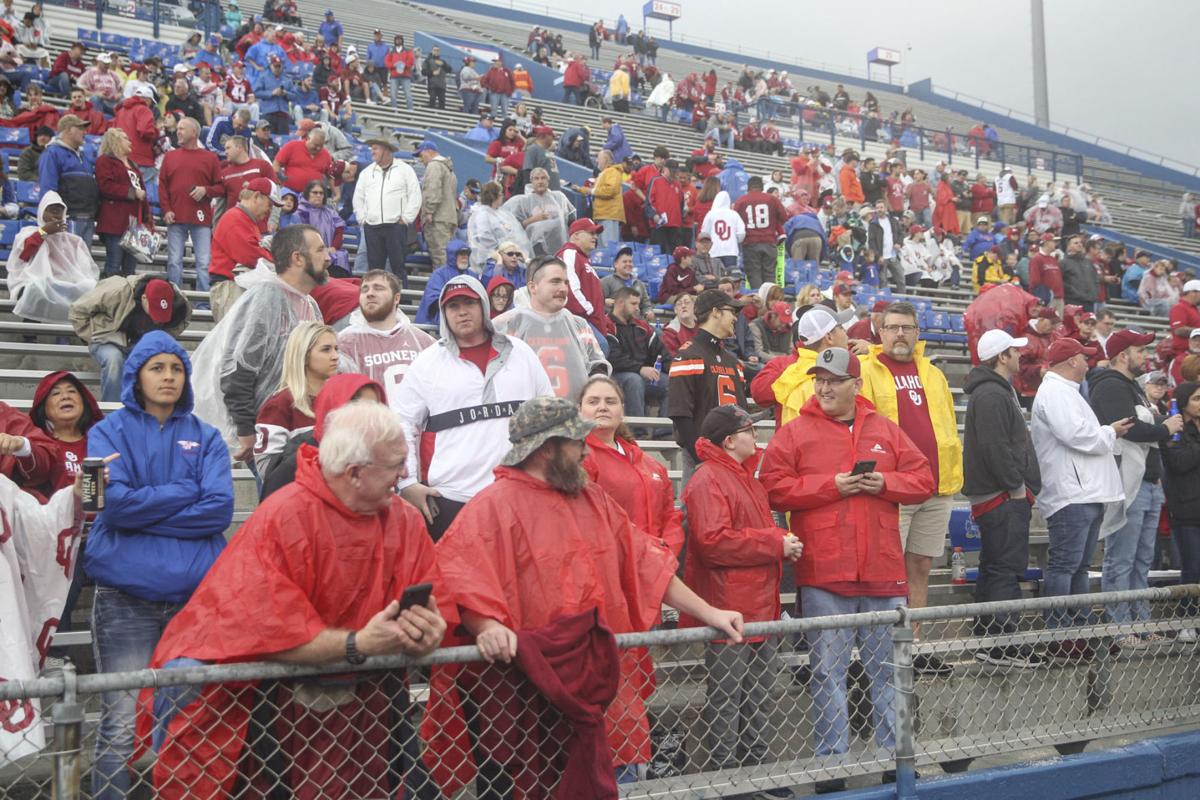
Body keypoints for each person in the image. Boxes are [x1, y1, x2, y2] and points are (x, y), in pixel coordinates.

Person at [427, 397, 744, 794]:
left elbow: (649, 565)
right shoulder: (490, 507)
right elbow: (459, 583)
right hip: (526, 694)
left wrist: (710, 612)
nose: (584, 448)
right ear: (546, 449)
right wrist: (486, 624)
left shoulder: (594, 500)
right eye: (576, 441)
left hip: (597, 685)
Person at [138, 401, 446, 799]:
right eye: (396, 465)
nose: (405, 475)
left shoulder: (403, 520)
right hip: (272, 712)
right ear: (354, 473)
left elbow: (431, 603)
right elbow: (265, 633)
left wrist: (428, 634)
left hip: (368, 714)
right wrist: (358, 644)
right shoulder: (284, 517)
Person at [760, 347, 933, 793]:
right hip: (825, 573)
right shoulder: (795, 432)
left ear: (856, 385)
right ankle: (829, 768)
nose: (825, 386)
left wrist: (885, 483)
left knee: (890, 671)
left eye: (835, 379)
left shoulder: (885, 429)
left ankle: (898, 762)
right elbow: (773, 489)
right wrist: (830, 486)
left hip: (882, 571)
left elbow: (923, 479)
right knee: (826, 673)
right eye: (820, 378)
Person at [85, 331, 234, 800]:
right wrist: (183, 492)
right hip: (125, 602)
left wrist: (144, 508)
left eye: (176, 369)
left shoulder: (207, 436)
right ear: (137, 375)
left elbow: (219, 509)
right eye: (157, 368)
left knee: (191, 721)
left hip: (193, 602)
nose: (168, 377)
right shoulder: (107, 432)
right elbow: (113, 507)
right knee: (121, 724)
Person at [683, 404, 800, 775]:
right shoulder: (708, 479)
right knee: (728, 699)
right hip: (729, 608)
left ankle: (756, 771)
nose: (757, 436)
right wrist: (775, 542)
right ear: (731, 440)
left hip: (756, 605)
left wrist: (776, 544)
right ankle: (726, 775)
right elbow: (713, 543)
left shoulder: (745, 478)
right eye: (750, 430)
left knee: (758, 697)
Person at [395, 275, 552, 539]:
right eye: (453, 306)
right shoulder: (427, 363)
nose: (462, 312)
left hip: (519, 494)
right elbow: (403, 424)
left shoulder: (521, 353)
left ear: (483, 306)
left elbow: (548, 416)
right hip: (451, 498)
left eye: (469, 302)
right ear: (444, 313)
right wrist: (407, 482)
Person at [857, 302, 963, 675]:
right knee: (888, 570)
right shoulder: (867, 371)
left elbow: (947, 425)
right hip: (894, 489)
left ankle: (914, 646)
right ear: (880, 332)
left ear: (918, 332)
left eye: (907, 327)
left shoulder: (933, 373)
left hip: (937, 488)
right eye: (893, 328)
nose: (900, 334)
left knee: (920, 566)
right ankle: (883, 649)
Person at [191, 225, 326, 465]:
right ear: (297, 258)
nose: (328, 257)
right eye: (320, 250)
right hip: (267, 432)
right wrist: (246, 431)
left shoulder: (310, 304)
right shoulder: (267, 298)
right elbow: (237, 369)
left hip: (296, 428)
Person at [1031, 338, 1132, 659]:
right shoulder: (1056, 392)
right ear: (1071, 361)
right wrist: (1111, 431)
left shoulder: (1066, 391)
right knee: (1065, 565)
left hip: (1083, 490)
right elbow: (1076, 436)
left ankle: (1081, 629)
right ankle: (1060, 633)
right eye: (1083, 358)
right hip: (1070, 492)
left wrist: (1107, 432)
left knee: (1078, 566)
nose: (1088, 363)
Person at [1090, 330, 1182, 639]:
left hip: (1149, 482)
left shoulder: (1132, 387)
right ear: (1121, 356)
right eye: (1139, 351)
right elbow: (1129, 428)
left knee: (1142, 560)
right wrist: (1165, 428)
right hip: (1128, 483)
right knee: (1122, 558)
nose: (1146, 356)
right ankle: (1120, 627)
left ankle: (1141, 624)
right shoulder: (1110, 385)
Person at [963, 329, 1045, 667]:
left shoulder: (995, 392)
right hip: (1002, 496)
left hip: (1002, 494)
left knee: (996, 565)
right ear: (1002, 356)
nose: (1019, 355)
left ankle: (991, 639)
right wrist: (1017, 486)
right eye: (1014, 351)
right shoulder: (992, 395)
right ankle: (1001, 642)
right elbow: (995, 448)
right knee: (1005, 568)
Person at [579, 375, 683, 555]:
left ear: (622, 410)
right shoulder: (577, 460)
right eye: (593, 402)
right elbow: (586, 523)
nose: (602, 407)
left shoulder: (650, 464)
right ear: (579, 410)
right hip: (614, 566)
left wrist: (666, 549)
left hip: (659, 566)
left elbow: (669, 516)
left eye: (610, 401)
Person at [493, 256, 610, 400]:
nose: (563, 288)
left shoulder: (579, 324)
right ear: (533, 287)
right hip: (527, 418)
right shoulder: (508, 323)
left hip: (574, 416)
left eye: (566, 282)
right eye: (555, 281)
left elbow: (597, 364)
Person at [668, 289, 748, 467]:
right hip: (702, 460)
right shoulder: (688, 357)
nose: (735, 318)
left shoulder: (734, 363)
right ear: (715, 312)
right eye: (732, 312)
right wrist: (700, 459)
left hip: (733, 457)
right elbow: (681, 415)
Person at [336, 270, 435, 411]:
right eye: (365, 289)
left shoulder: (423, 341)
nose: (369, 293)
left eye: (378, 288)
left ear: (396, 299)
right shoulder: (344, 342)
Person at [253, 321, 338, 478]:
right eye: (326, 350)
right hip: (300, 497)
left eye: (336, 349)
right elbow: (266, 468)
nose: (335, 356)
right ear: (304, 355)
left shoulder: (341, 400)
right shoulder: (279, 404)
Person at [6, 191, 98, 324]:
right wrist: (44, 232)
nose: (56, 214)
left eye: (59, 211)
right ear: (42, 212)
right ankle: (30, 335)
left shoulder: (73, 240)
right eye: (51, 210)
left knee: (89, 288)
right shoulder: (29, 233)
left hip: (64, 282)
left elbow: (84, 270)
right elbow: (24, 255)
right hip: (34, 280)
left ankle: (80, 337)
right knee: (36, 290)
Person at [158, 117, 221, 290]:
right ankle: (174, 297)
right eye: (177, 128)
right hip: (175, 217)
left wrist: (205, 190)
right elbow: (162, 186)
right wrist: (166, 210)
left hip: (201, 219)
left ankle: (204, 301)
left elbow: (221, 187)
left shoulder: (210, 158)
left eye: (182, 128)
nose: (178, 131)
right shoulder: (170, 157)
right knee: (174, 261)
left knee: (204, 262)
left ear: (194, 132)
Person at [771, 306, 858, 427]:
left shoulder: (795, 374)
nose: (846, 332)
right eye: (841, 328)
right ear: (829, 337)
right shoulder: (828, 378)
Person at [353, 138, 422, 286]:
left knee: (398, 268)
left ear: (386, 150)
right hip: (372, 227)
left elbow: (415, 196)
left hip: (395, 226)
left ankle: (403, 303)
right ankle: (377, 303)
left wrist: (406, 219)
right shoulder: (366, 172)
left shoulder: (405, 170)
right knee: (374, 270)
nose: (372, 151)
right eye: (372, 148)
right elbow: (358, 198)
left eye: (376, 148)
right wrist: (362, 218)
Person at [1162, 381, 1200, 642]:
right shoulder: (1174, 428)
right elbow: (1178, 462)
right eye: (1197, 399)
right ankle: (1187, 620)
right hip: (1186, 509)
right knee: (1192, 568)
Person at [95, 127, 152, 277]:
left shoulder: (133, 165)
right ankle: (111, 298)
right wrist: (132, 193)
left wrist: (147, 218)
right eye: (125, 138)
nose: (130, 141)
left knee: (130, 269)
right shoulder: (105, 161)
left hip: (133, 223)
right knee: (114, 264)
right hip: (114, 222)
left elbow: (142, 192)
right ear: (116, 141)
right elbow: (106, 187)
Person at [38, 114, 99, 246]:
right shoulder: (52, 153)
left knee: (82, 263)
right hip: (69, 219)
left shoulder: (83, 156)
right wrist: (53, 217)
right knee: (67, 262)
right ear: (68, 130)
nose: (85, 132)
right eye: (81, 128)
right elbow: (48, 188)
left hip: (87, 218)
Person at [606, 286, 666, 419]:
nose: (638, 308)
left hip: (641, 374)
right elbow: (613, 358)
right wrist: (640, 369)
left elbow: (660, 351)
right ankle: (638, 432)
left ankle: (665, 433)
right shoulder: (607, 324)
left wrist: (675, 369)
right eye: (633, 304)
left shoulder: (642, 326)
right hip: (615, 376)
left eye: (638, 304)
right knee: (634, 380)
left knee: (671, 382)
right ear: (620, 303)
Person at [557, 217, 615, 339]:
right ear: (577, 235)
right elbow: (570, 288)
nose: (596, 237)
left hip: (592, 320)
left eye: (596, 234)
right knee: (602, 348)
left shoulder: (582, 258)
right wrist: (590, 312)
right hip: (582, 320)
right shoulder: (569, 254)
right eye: (591, 233)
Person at [504, 166, 573, 257]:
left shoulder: (559, 197)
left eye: (543, 178)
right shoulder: (523, 201)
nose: (540, 181)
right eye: (536, 179)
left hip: (560, 246)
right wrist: (534, 219)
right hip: (536, 250)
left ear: (548, 181)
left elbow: (571, 219)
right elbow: (516, 228)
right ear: (531, 182)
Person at [415, 140, 459, 269]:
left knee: (440, 257)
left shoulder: (434, 165)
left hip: (437, 218)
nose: (420, 160)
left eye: (421, 155)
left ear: (429, 151)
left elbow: (433, 189)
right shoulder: (449, 169)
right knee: (448, 256)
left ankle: (442, 286)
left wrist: (429, 211)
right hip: (449, 217)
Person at [1169, 280, 1200, 363]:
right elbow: (1179, 330)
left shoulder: (1194, 309)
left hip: (1194, 354)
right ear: (1192, 292)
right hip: (1183, 355)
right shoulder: (1179, 307)